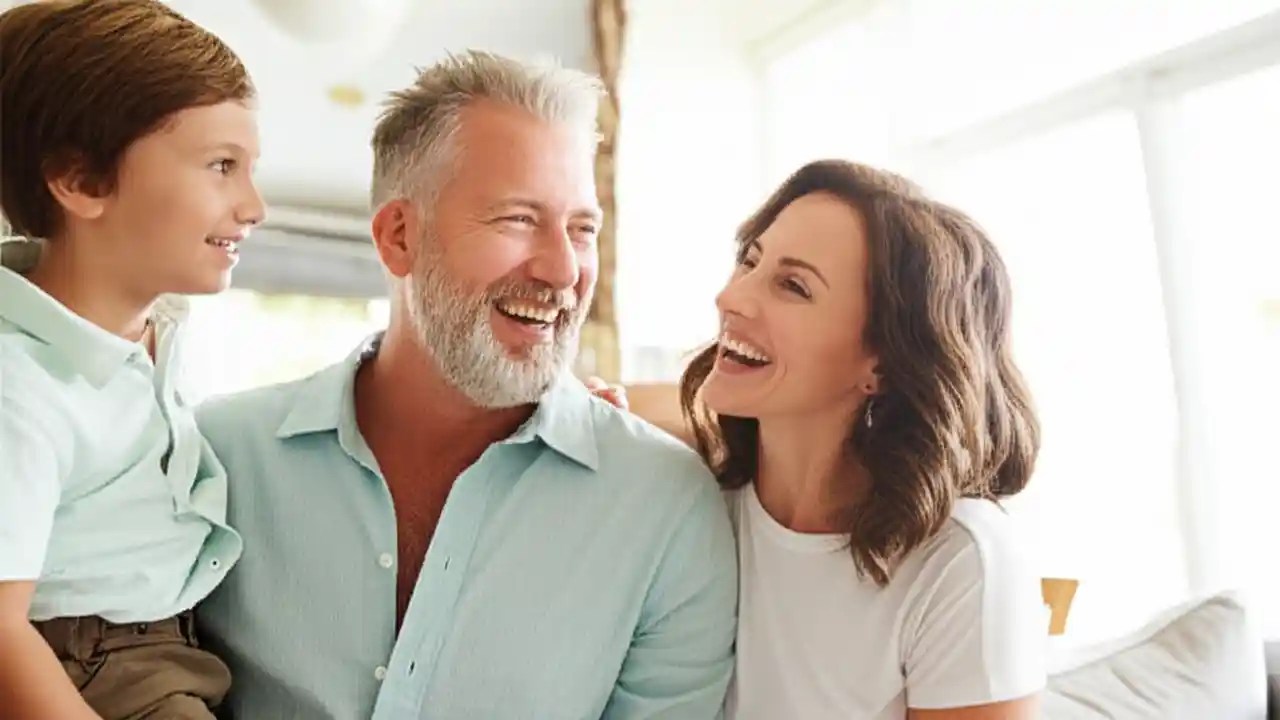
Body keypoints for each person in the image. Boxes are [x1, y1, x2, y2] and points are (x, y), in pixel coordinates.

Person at [194, 51, 738, 719]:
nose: (564, 270)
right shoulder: (217, 458)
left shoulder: (668, 510)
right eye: (517, 219)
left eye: (582, 229)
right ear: (399, 237)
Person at [670, 160, 1046, 718]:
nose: (733, 298)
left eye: (793, 286)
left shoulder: (960, 563)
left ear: (883, 363)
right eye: (750, 261)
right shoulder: (692, 499)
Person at [0, 1, 265, 718]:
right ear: (81, 182)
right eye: (221, 167)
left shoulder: (156, 333)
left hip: (168, 654)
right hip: (95, 671)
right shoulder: (17, 383)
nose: (254, 206)